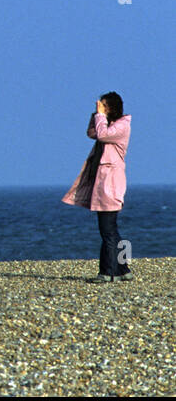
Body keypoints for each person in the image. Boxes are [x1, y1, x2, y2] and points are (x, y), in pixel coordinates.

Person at [60, 92, 132, 282]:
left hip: (111, 186)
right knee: (111, 230)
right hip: (104, 185)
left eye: (104, 106)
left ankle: (108, 273)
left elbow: (101, 135)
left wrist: (100, 116)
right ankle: (123, 269)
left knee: (107, 230)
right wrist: (96, 115)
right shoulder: (109, 125)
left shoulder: (122, 126)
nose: (101, 109)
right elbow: (92, 133)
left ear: (112, 108)